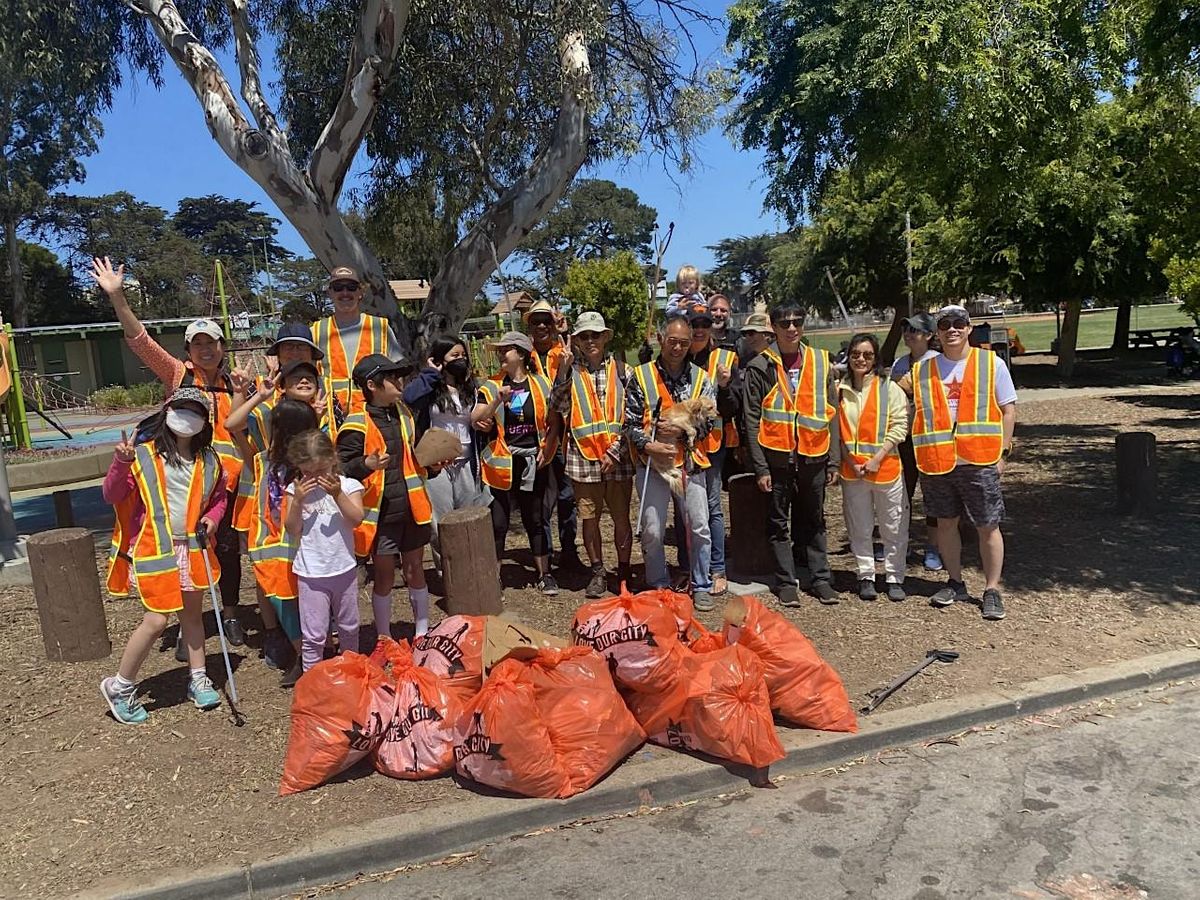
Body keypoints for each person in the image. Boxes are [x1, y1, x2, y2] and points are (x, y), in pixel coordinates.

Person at [91, 256, 249, 648]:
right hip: (182, 478)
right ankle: (186, 623)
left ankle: (229, 614)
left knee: (227, 549)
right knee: (179, 547)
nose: (205, 350)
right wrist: (118, 298)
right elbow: (140, 341)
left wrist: (247, 393)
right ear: (188, 350)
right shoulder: (178, 375)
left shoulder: (238, 381)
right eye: (197, 344)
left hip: (226, 483)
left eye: (211, 342)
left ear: (222, 346)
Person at [99, 388, 227, 725]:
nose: (188, 416)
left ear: (205, 421)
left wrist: (212, 519)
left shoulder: (210, 460)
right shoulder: (141, 455)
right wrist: (120, 462)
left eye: (196, 411)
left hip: (193, 547)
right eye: (182, 409)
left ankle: (198, 678)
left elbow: (218, 498)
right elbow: (112, 494)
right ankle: (120, 685)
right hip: (155, 549)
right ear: (167, 412)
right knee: (156, 621)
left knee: (193, 617)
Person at [903, 305, 1017, 621]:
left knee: (987, 526)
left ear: (968, 328)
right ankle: (955, 582)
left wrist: (1003, 455)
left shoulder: (991, 363)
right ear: (936, 332)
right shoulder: (922, 370)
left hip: (979, 460)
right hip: (937, 462)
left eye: (958, 323)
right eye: (944, 324)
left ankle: (992, 590)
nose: (951, 329)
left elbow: (1008, 410)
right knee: (946, 525)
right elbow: (897, 403)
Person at [741, 303, 841, 606]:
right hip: (777, 459)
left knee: (814, 521)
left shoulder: (821, 362)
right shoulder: (760, 366)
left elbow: (832, 414)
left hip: (814, 456)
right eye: (784, 323)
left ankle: (820, 578)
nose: (792, 328)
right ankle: (786, 582)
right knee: (778, 522)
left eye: (797, 322)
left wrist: (834, 459)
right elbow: (751, 420)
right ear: (774, 327)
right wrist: (761, 468)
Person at [338, 355, 435, 640]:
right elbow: (342, 468)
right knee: (384, 577)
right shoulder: (356, 423)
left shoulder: (404, 413)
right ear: (372, 385)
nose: (400, 382)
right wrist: (364, 465)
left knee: (415, 569)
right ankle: (383, 637)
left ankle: (422, 634)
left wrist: (433, 464)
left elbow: (413, 459)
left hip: (412, 508)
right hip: (380, 515)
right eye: (392, 378)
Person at [625, 316, 718, 610]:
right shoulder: (640, 377)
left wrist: (680, 432)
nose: (678, 347)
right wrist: (649, 445)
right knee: (652, 529)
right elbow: (628, 423)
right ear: (661, 340)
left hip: (690, 463)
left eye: (684, 342)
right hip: (653, 465)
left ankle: (701, 583)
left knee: (699, 525)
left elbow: (710, 423)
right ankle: (658, 584)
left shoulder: (701, 379)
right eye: (673, 341)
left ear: (691, 344)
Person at [550, 312, 634, 598]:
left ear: (605, 337)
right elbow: (557, 405)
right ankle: (597, 571)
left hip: (618, 458)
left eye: (594, 335)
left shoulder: (624, 371)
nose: (589, 341)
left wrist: (616, 450)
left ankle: (623, 573)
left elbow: (633, 417)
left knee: (622, 518)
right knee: (590, 519)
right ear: (576, 341)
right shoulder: (570, 373)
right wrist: (562, 370)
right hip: (582, 460)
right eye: (583, 336)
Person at [238, 397, 319, 685]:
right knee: (283, 600)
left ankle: (312, 658)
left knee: (310, 603)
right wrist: (258, 395)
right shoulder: (262, 459)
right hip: (270, 544)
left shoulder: (311, 461)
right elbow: (232, 425)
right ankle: (303, 656)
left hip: (305, 541)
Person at [472, 331, 561, 594]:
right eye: (499, 350)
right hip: (501, 465)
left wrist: (548, 448)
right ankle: (494, 578)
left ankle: (545, 574)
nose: (501, 354)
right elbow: (476, 419)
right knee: (498, 523)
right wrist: (498, 400)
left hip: (534, 460)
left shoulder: (542, 384)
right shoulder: (491, 386)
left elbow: (554, 422)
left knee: (536, 518)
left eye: (506, 350)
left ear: (521, 354)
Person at [403, 335, 489, 570]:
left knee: (468, 518)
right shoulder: (430, 387)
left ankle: (470, 570)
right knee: (440, 521)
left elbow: (479, 420)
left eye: (463, 355)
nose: (460, 360)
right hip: (437, 464)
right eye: (454, 356)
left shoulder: (472, 388)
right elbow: (408, 398)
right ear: (440, 359)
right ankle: (448, 572)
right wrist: (430, 373)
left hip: (466, 463)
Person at [285, 429, 366, 671]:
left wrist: (338, 494)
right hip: (311, 573)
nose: (314, 476)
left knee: (349, 626)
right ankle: (313, 678)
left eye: (319, 470)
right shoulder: (295, 490)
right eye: (307, 471)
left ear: (333, 459)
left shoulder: (350, 486)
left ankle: (351, 670)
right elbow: (292, 528)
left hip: (343, 569)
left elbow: (356, 518)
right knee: (314, 634)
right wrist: (298, 501)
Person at [837, 334, 910, 601]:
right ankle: (865, 574)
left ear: (875, 358)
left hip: (885, 468)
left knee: (893, 525)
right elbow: (837, 430)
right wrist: (847, 458)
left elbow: (900, 425)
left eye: (867, 355)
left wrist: (878, 457)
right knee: (859, 526)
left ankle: (894, 576)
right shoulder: (839, 390)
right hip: (853, 471)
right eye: (856, 354)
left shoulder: (888, 388)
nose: (861, 359)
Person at [683, 304, 738, 596]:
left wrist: (726, 386)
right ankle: (687, 566)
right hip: (684, 445)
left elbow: (732, 408)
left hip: (713, 445)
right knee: (685, 509)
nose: (700, 329)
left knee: (712, 507)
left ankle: (717, 569)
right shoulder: (677, 359)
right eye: (695, 325)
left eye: (705, 324)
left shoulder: (725, 358)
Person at [522, 298, 580, 570]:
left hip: (566, 438)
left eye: (547, 320)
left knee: (568, 497)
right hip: (536, 439)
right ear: (530, 326)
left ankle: (569, 553)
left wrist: (567, 335)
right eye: (537, 321)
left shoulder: (566, 352)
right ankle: (544, 556)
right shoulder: (523, 356)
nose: (542, 326)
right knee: (541, 500)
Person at [310, 266, 404, 421]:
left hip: (373, 416)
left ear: (361, 292)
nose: (345, 293)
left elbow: (397, 372)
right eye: (338, 288)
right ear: (330, 293)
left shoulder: (379, 327)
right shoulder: (316, 331)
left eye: (351, 287)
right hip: (330, 418)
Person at [890, 312, 943, 571]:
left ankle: (934, 547)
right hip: (905, 440)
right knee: (903, 495)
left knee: (932, 495)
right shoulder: (900, 363)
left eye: (916, 330)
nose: (909, 334)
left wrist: (912, 389)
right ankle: (902, 543)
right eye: (907, 329)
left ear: (930, 335)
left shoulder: (938, 361)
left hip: (931, 439)